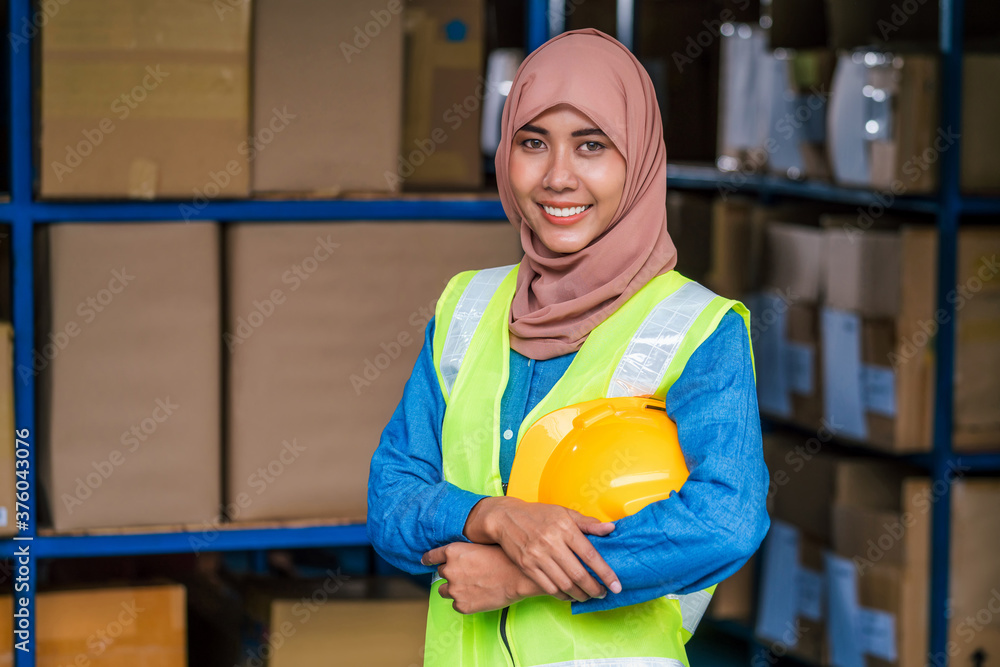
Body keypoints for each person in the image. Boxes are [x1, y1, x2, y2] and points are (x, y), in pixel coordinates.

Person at [368, 28, 769, 666]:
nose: (558, 177)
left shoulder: (696, 327)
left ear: (637, 160)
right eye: (533, 143)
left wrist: (526, 577)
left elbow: (728, 519)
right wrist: (493, 517)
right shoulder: (467, 306)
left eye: (592, 146)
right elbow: (392, 498)